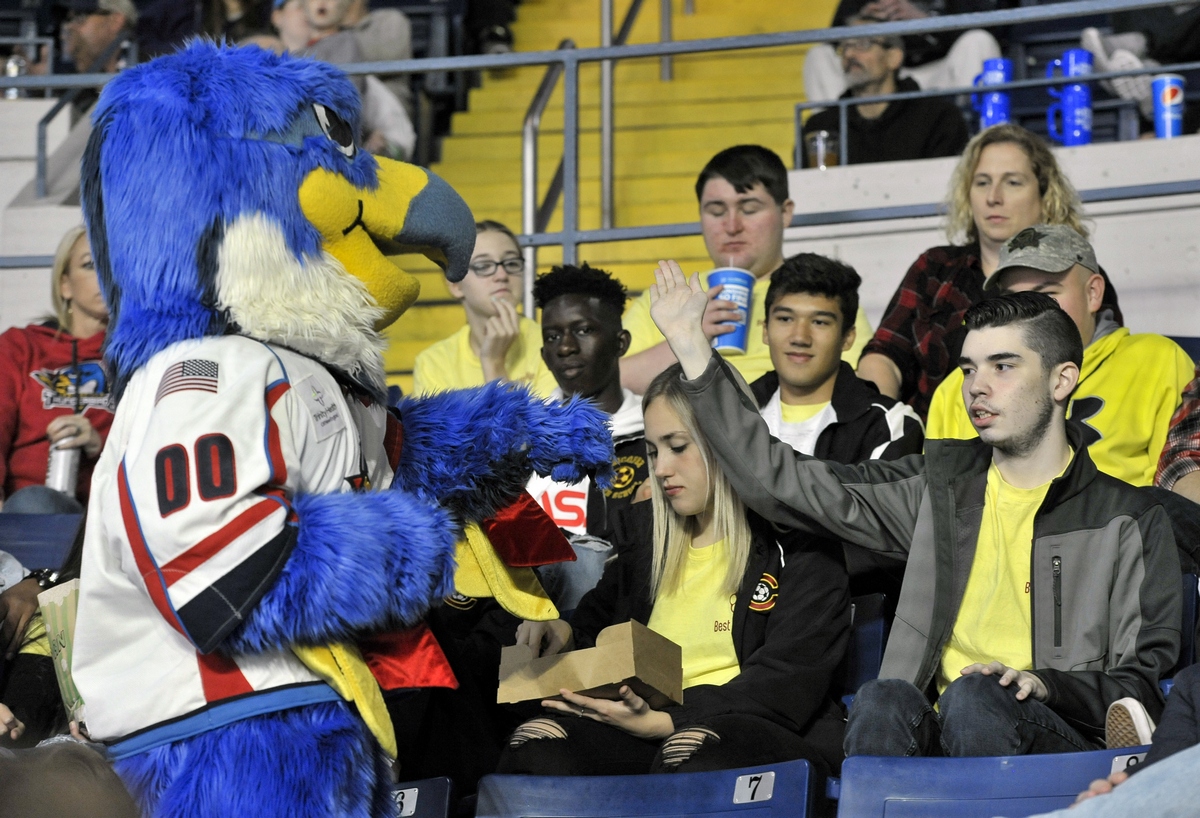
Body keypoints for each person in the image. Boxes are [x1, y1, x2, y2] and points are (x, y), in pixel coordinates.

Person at [648, 263, 1181, 759]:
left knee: (978, 695)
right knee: (881, 700)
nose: (978, 386)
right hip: (940, 726)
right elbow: (782, 483)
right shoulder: (934, 489)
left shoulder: (1129, 518)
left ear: (1061, 380)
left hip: (1057, 734)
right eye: (970, 368)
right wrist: (694, 348)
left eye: (1004, 366)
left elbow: (1141, 686)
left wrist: (1044, 682)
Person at [498, 365, 850, 790]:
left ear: (731, 442)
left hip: (750, 729)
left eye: (678, 447)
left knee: (688, 752)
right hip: (641, 729)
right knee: (536, 745)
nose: (661, 469)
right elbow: (595, 630)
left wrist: (667, 721)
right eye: (652, 451)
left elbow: (789, 679)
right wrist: (560, 632)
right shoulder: (645, 541)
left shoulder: (799, 543)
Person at [856, 123, 1123, 421]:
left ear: (1045, 193)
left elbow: (1104, 371)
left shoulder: (1077, 273)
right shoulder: (935, 268)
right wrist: (875, 421)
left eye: (1012, 182)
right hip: (930, 440)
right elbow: (885, 355)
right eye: (982, 182)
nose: (993, 197)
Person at [926, 225, 1193, 489]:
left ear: (1093, 293)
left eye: (1047, 295)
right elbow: (937, 500)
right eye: (1012, 299)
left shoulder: (1155, 360)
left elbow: (1181, 478)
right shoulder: (958, 387)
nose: (1025, 313)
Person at [619, 145, 873, 394]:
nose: (732, 226)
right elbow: (612, 384)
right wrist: (688, 337)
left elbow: (859, 383)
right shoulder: (667, 300)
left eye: (749, 209)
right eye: (716, 211)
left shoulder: (822, 294)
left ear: (785, 212)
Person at [525, 263, 649, 611]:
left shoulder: (657, 432)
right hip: (524, 617)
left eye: (582, 330)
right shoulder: (517, 437)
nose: (565, 347)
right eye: (552, 337)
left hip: (622, 614)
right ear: (542, 355)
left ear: (620, 342)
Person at [753, 252, 923, 461]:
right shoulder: (730, 411)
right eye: (786, 319)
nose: (799, 337)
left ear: (848, 338)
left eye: (819, 322)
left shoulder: (890, 424)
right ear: (765, 330)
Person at [0, 226, 112, 515]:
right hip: (32, 508)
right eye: (90, 264)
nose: (106, 273)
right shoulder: (21, 346)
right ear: (65, 285)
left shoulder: (143, 355)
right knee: (34, 505)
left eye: (115, 263)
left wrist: (100, 445)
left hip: (111, 507)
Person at [800, 15, 969, 167]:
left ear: (893, 57)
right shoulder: (821, 127)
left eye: (863, 44)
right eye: (844, 46)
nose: (849, 54)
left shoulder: (937, 118)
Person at [412, 221, 557, 397]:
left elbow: (536, 425)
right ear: (455, 284)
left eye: (511, 263)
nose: (502, 275)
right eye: (483, 266)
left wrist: (493, 363)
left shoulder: (552, 343)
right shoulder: (433, 363)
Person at [803, 0, 1006, 106]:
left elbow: (989, 28)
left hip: (939, 74)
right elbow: (833, 39)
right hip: (879, 76)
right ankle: (833, 132)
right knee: (818, 56)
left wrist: (924, 21)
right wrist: (864, 20)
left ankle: (971, 132)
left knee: (979, 41)